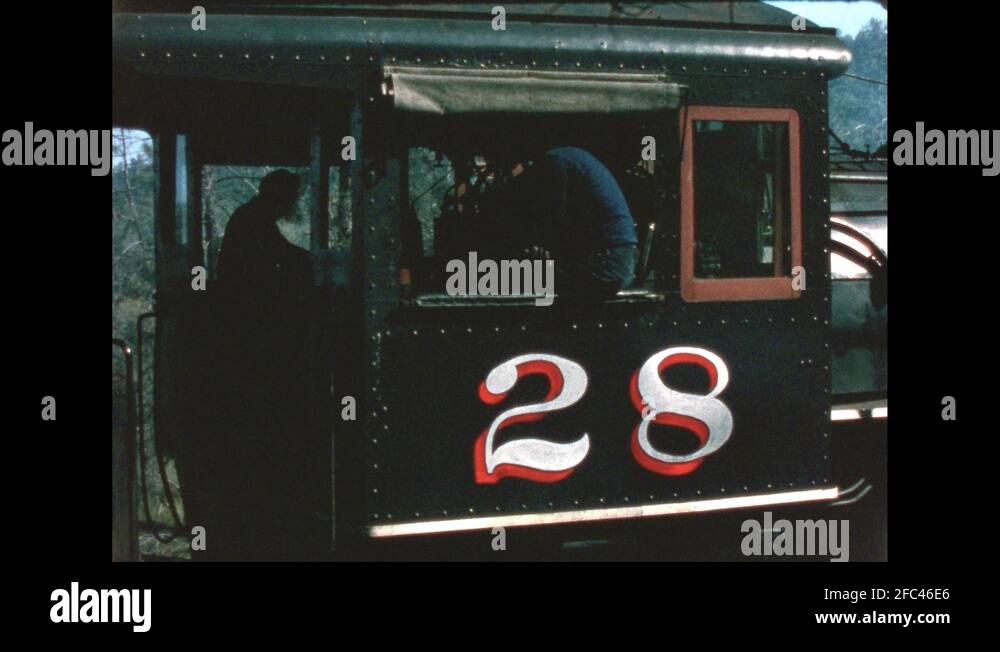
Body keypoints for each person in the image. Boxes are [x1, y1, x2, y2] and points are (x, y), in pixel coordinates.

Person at [492, 147, 639, 301]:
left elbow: (555, 223)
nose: (508, 180)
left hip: (607, 263)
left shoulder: (555, 163)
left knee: (513, 277)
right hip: (618, 262)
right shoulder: (566, 159)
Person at [216, 169, 312, 293]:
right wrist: (312, 260)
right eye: (293, 197)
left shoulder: (253, 214)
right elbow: (282, 252)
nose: (295, 202)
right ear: (281, 198)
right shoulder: (254, 217)